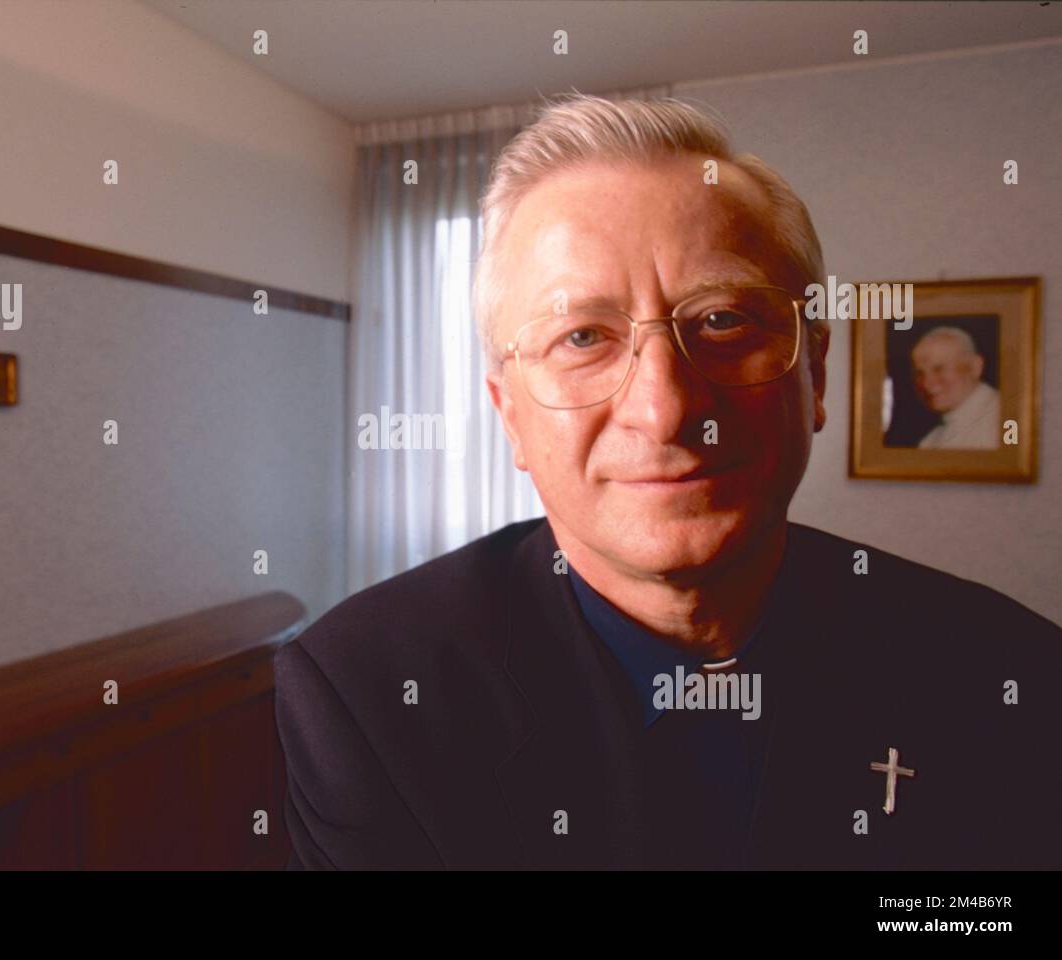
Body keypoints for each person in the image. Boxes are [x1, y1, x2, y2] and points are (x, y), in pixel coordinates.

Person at [273, 94, 1061, 869]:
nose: (665, 408)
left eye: (722, 321)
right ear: (510, 415)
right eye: (582, 336)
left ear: (814, 376)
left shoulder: (1009, 677)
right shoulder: (369, 692)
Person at [911, 326, 1002, 449]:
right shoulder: (931, 440)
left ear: (975, 367)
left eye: (939, 369)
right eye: (920, 374)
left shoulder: (1003, 421)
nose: (927, 384)